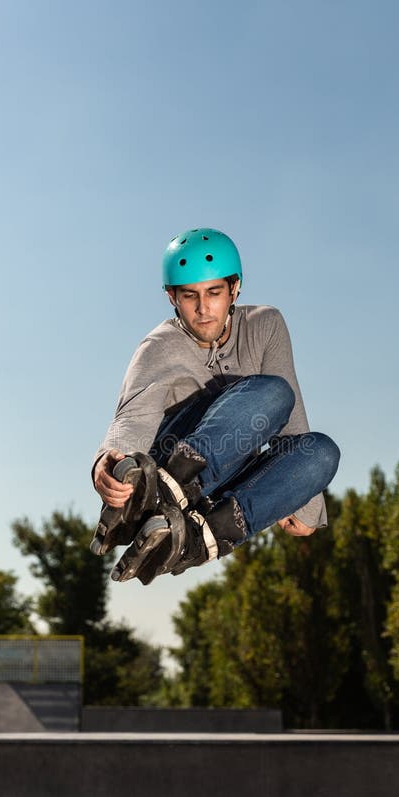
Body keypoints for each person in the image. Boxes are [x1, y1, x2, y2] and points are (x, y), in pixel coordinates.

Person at [91, 227, 340, 585]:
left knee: (322, 451)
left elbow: (293, 429)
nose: (204, 309)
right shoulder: (159, 347)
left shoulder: (265, 326)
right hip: (171, 459)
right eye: (190, 296)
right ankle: (158, 497)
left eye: (214, 293)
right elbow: (132, 416)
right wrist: (108, 460)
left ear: (234, 288)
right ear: (172, 296)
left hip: (223, 487)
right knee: (272, 393)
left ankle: (190, 541)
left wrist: (304, 500)